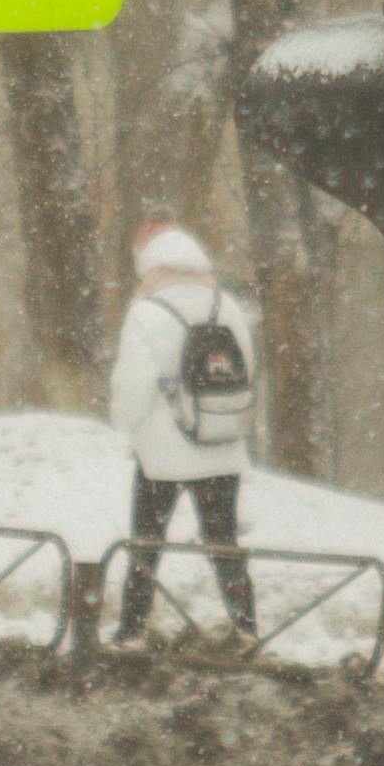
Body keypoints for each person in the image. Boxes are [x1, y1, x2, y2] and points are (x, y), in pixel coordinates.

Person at [106, 224, 260, 643]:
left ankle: (132, 627)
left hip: (162, 453)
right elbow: (246, 367)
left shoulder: (146, 311)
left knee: (147, 541)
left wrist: (127, 425)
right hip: (220, 441)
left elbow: (133, 386)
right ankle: (245, 625)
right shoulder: (226, 305)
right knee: (223, 542)